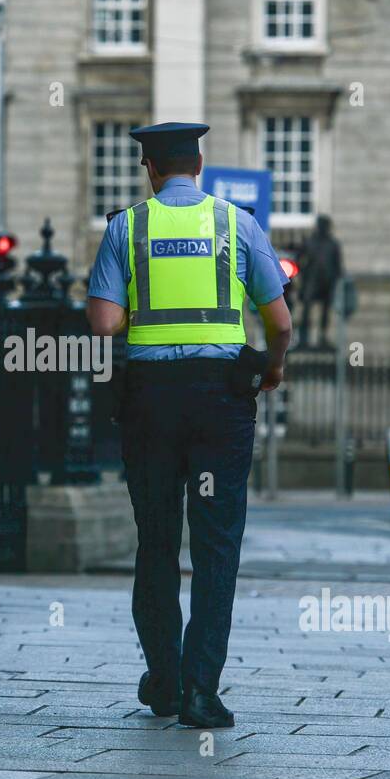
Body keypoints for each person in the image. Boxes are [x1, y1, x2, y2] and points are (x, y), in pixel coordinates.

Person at [86, 122, 294, 728]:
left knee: (156, 543)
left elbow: (103, 326)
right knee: (217, 544)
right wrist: (272, 369)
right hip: (221, 401)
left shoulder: (128, 227)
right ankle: (202, 691)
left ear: (148, 168)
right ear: (199, 162)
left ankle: (166, 681)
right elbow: (279, 323)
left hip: (151, 401)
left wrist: (138, 310)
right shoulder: (236, 224)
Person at [296, 214, 343, 349]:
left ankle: (322, 338)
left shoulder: (333, 244)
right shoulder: (309, 242)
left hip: (327, 282)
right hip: (311, 282)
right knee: (306, 310)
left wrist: (336, 280)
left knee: (325, 311)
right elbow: (298, 261)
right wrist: (304, 272)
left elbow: (338, 266)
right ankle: (303, 338)